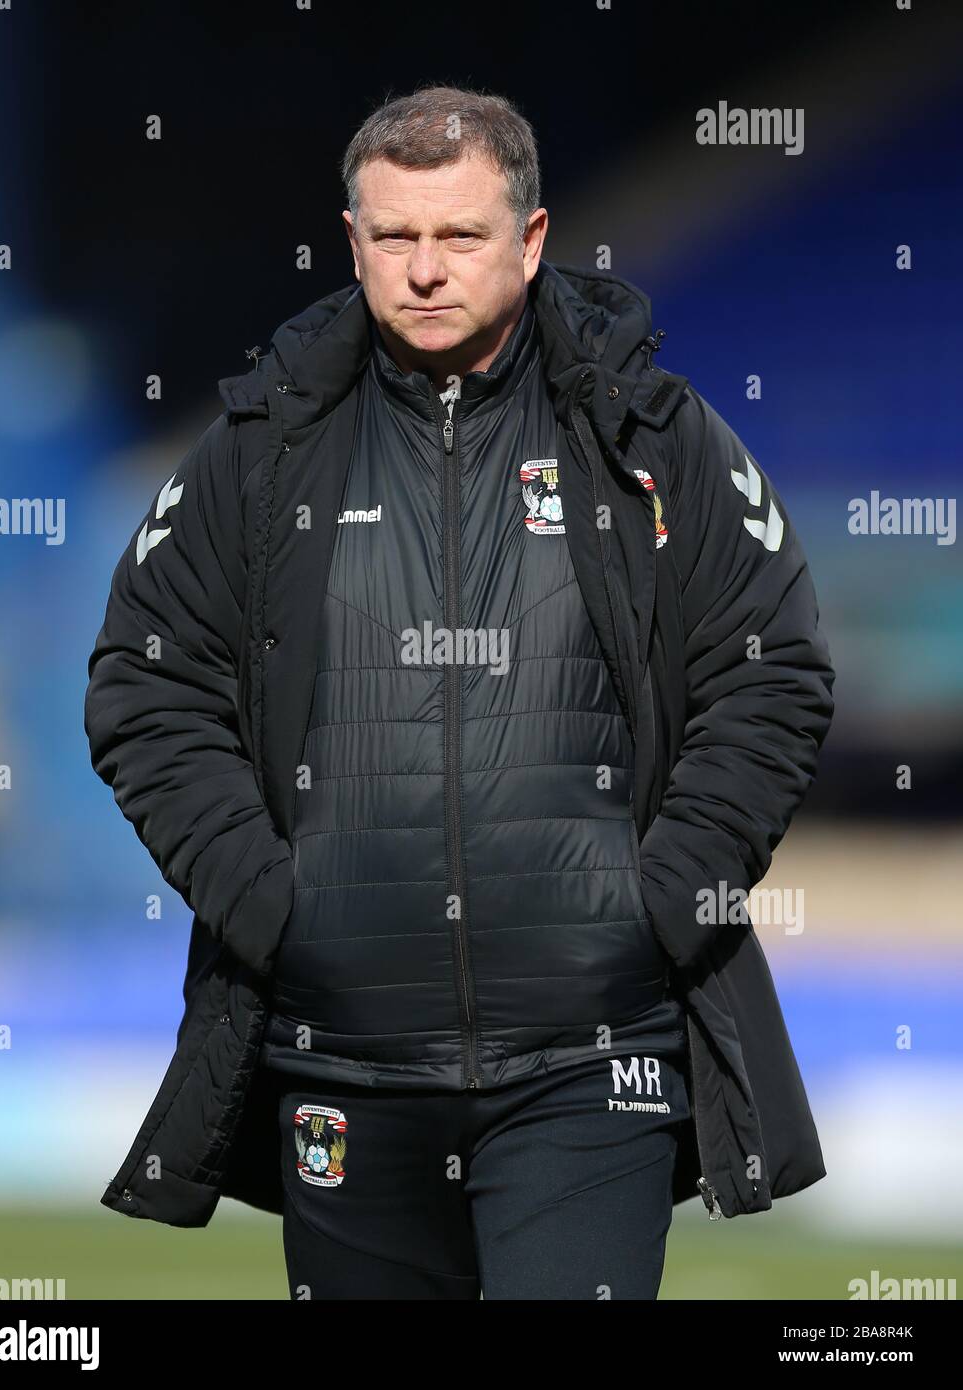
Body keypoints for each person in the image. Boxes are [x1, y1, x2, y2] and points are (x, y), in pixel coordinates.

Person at [85, 84, 835, 1300]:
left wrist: (654, 903)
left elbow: (773, 672)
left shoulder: (650, 438)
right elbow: (143, 681)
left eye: (460, 235)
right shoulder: (258, 448)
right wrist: (273, 903)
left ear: (530, 242)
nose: (425, 270)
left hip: (594, 1058)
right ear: (353, 241)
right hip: (340, 1060)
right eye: (396, 237)